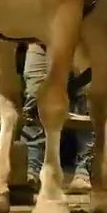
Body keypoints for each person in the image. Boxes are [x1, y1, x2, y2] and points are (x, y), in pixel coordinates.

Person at [21, 43, 95, 192]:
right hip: (41, 40)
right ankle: (31, 169)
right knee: (34, 98)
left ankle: (84, 171)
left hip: (84, 40)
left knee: (86, 103)